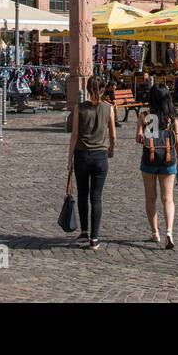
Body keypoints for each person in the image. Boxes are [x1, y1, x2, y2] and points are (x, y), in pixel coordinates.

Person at [67, 76, 115, 250]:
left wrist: (69, 158)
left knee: (82, 194)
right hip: (100, 156)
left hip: (82, 155)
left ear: (87, 89)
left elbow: (74, 135)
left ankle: (84, 232)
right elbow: (113, 135)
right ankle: (95, 238)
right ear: (102, 89)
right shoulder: (109, 108)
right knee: (96, 197)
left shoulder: (79, 108)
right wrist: (111, 148)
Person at [138, 85, 178, 249]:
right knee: (168, 198)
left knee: (151, 198)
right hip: (168, 158)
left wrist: (143, 132)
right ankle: (169, 232)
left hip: (149, 160)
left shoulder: (146, 116)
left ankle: (155, 232)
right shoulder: (172, 118)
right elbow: (177, 141)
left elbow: (140, 138)